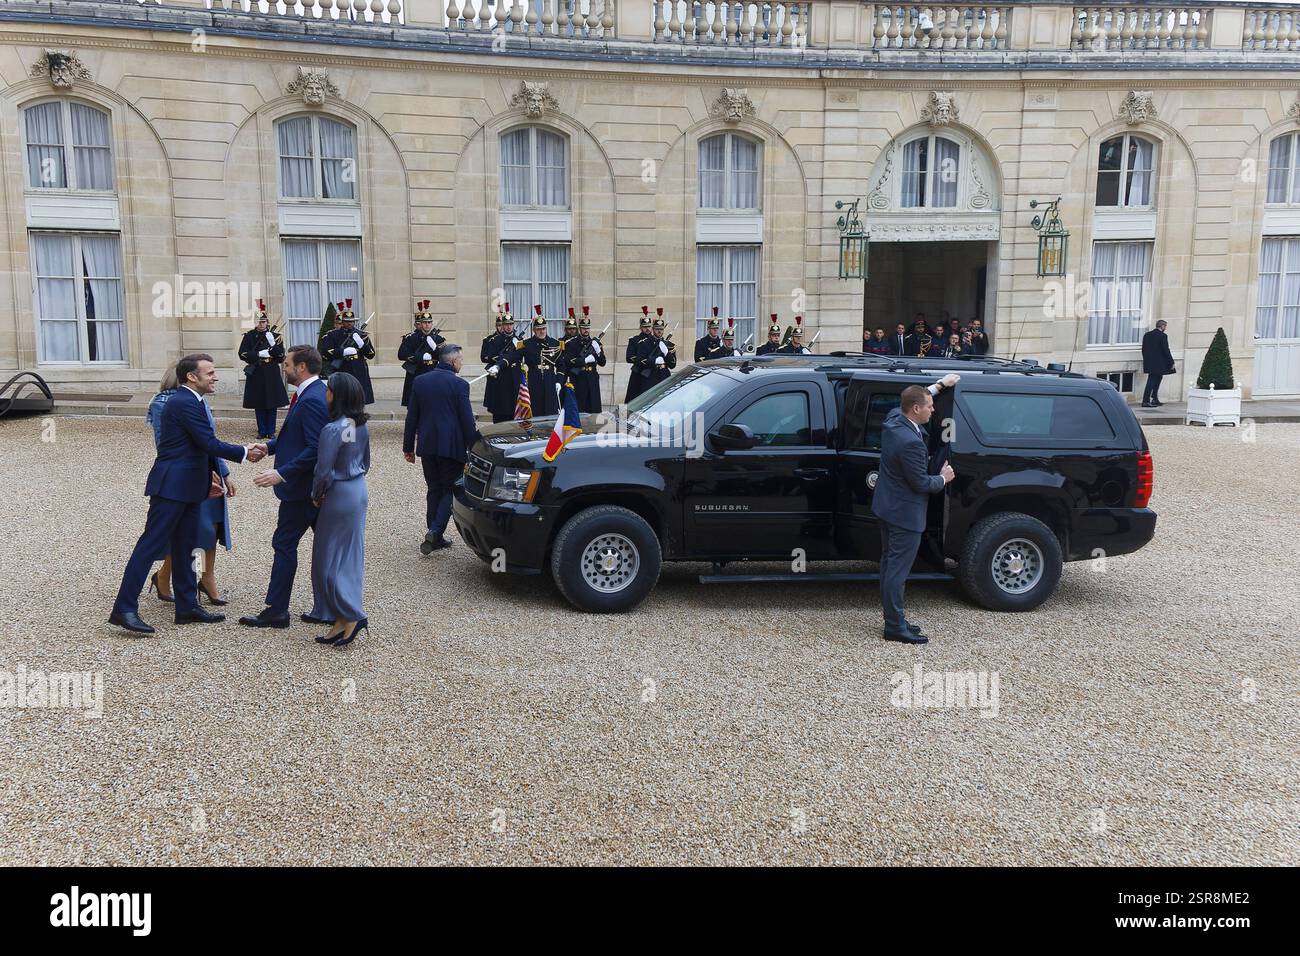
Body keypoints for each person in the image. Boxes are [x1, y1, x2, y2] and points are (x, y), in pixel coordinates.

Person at [109, 354, 261, 635]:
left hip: (191, 487)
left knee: (186, 546)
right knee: (149, 546)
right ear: (192, 377)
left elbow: (201, 447)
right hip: (171, 487)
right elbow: (207, 442)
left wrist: (216, 474)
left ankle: (187, 606)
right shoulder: (183, 402)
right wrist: (243, 452)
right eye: (210, 372)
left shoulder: (194, 401)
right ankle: (124, 609)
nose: (215, 377)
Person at [239, 345, 332, 629]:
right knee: (327, 549)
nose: (284, 367)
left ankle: (278, 610)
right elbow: (295, 437)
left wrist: (282, 473)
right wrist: (267, 447)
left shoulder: (313, 399)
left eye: (288, 363)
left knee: (284, 544)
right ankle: (331, 608)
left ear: (301, 367)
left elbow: (317, 448)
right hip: (306, 489)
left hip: (302, 490)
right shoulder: (307, 395)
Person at [872, 374, 959, 645]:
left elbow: (907, 398)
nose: (933, 410)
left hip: (887, 508)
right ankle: (895, 627)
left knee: (889, 566)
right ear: (916, 409)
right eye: (930, 406)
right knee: (897, 573)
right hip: (904, 515)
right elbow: (921, 483)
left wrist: (940, 385)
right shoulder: (910, 442)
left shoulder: (893, 419)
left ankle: (894, 619)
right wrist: (944, 478)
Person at [310, 372, 371, 648]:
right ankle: (341, 619)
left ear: (336, 395)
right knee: (349, 555)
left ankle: (351, 614)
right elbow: (366, 462)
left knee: (328, 559)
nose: (325, 395)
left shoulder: (333, 428)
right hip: (357, 489)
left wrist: (316, 494)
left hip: (338, 493)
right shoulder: (361, 425)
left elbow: (323, 470)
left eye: (328, 390)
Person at [404, 344, 480, 555]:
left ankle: (433, 533)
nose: (462, 363)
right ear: (453, 361)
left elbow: (412, 417)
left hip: (427, 445)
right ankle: (435, 530)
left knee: (433, 488)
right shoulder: (460, 385)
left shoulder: (420, 381)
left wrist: (408, 447)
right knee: (449, 489)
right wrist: (473, 446)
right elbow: (467, 422)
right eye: (461, 360)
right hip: (451, 446)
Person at [237, 301, 288, 439]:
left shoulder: (275, 336)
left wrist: (272, 345)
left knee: (272, 402)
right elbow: (242, 353)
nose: (261, 324)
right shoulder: (249, 336)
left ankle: (271, 430)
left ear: (267, 322)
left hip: (271, 370)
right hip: (257, 371)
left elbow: (281, 356)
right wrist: (258, 354)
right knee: (258, 402)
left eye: (263, 321)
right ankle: (262, 430)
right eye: (259, 321)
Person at [318, 300, 376, 404]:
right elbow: (325, 353)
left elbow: (371, 354)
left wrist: (362, 345)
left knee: (358, 401)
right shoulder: (333, 335)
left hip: (358, 370)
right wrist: (342, 352)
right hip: (342, 369)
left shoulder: (361, 335)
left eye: (351, 321)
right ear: (343, 322)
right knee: (341, 400)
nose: (350, 323)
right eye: (347, 321)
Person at [398, 300, 445, 408]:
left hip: (433, 372)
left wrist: (435, 349)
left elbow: (444, 357)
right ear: (420, 323)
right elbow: (402, 355)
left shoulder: (438, 339)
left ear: (432, 323)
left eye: (429, 322)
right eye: (424, 322)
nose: (427, 325)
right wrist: (420, 357)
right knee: (415, 405)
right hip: (417, 373)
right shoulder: (411, 338)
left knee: (433, 405)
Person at [562, 308, 606, 413]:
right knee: (579, 408)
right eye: (583, 328)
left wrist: (598, 351)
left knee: (593, 408)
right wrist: (584, 360)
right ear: (579, 329)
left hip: (592, 378)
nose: (586, 330)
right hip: (578, 378)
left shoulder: (595, 343)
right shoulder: (572, 343)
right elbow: (569, 361)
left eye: (588, 328)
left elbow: (603, 362)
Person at [483, 313, 524, 423]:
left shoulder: (519, 340)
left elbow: (521, 357)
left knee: (515, 406)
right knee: (501, 408)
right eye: (506, 324)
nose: (508, 327)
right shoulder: (495, 340)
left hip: (514, 376)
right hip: (501, 376)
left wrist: (518, 346)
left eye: (510, 324)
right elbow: (491, 356)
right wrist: (503, 360)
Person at [521, 305, 560, 417]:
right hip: (534, 380)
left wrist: (558, 381)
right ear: (534, 330)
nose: (541, 331)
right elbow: (515, 356)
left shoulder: (554, 343)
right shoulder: (527, 344)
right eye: (538, 329)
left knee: (551, 412)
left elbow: (561, 366)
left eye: (543, 328)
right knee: (536, 412)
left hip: (550, 381)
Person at [480, 306, 513, 413]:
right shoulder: (491, 340)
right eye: (500, 325)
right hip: (496, 372)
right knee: (497, 402)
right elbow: (486, 357)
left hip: (511, 373)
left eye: (510, 324)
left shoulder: (516, 339)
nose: (502, 328)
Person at [632, 311, 675, 389]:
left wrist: (666, 353)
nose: (659, 331)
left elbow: (673, 365)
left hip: (664, 376)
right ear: (653, 329)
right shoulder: (644, 343)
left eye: (661, 329)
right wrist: (654, 361)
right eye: (657, 329)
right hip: (650, 377)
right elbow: (640, 360)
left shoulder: (669, 345)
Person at [1141, 319, 1175, 407]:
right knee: (1152, 380)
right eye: (1165, 326)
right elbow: (1166, 350)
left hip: (1149, 361)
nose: (1165, 328)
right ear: (1162, 326)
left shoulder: (1147, 335)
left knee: (1157, 379)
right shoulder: (1163, 336)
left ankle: (1154, 398)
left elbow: (1143, 349)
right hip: (1159, 363)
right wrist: (1171, 361)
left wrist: (1146, 359)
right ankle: (1146, 400)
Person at [624, 308, 653, 403]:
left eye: (649, 326)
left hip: (651, 372)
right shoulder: (634, 340)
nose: (647, 329)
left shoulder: (655, 340)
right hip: (638, 373)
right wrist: (641, 361)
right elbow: (629, 357)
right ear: (640, 327)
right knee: (634, 399)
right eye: (645, 327)